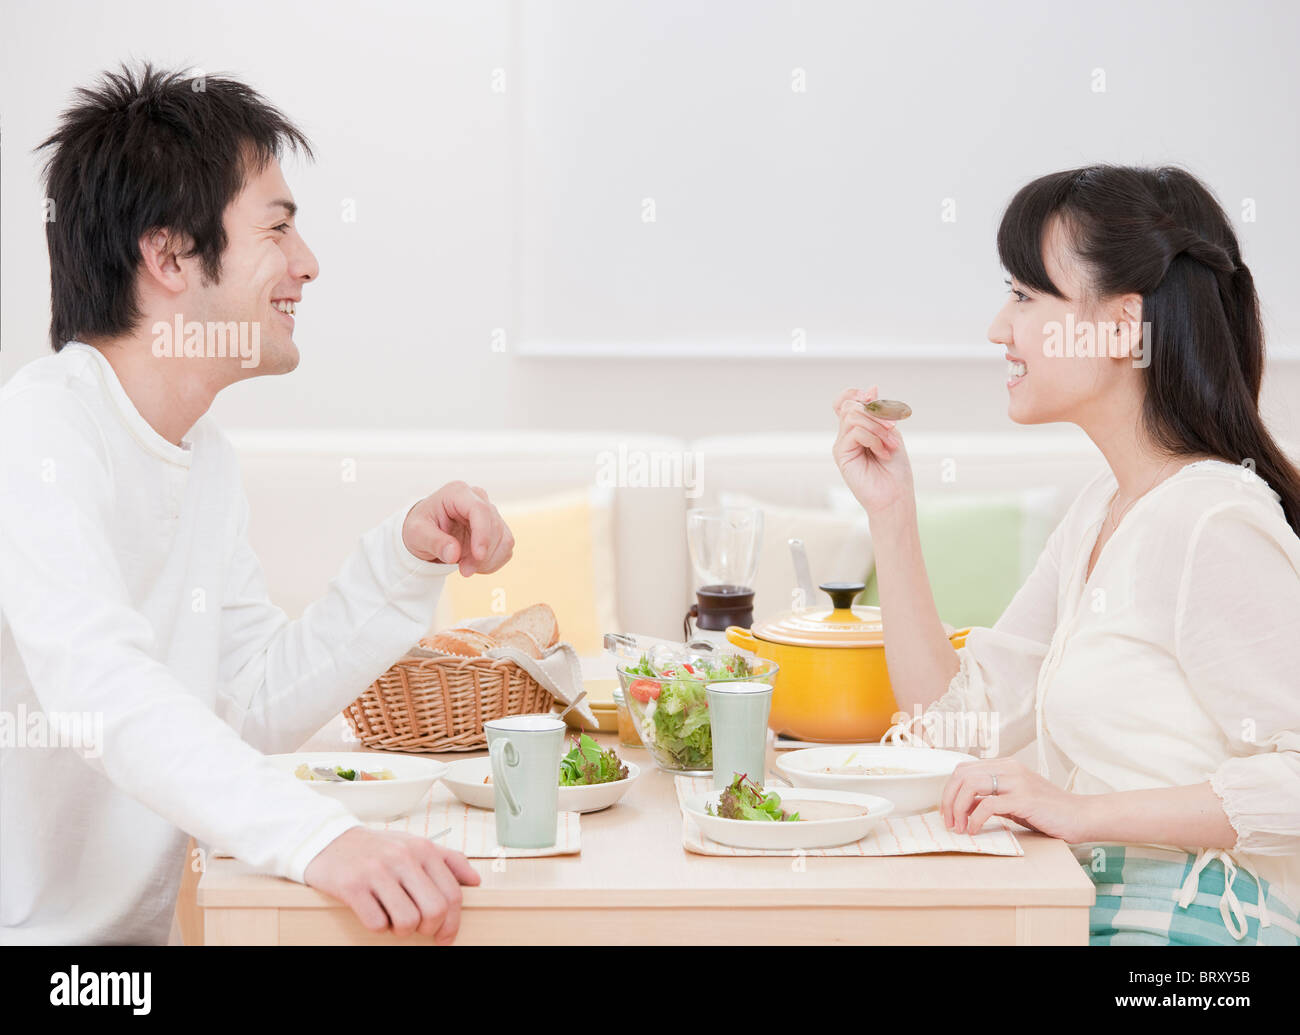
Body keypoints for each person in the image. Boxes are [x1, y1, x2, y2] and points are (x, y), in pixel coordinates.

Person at [0, 64, 515, 945]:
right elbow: (103, 687)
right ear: (167, 255)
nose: (307, 266)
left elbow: (248, 702)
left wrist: (400, 559)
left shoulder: (204, 458)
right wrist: (323, 838)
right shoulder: (41, 427)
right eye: (277, 231)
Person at [833, 165, 1300, 945]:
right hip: (1083, 916)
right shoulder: (1099, 514)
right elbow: (950, 726)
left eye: (1024, 296)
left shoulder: (1215, 521)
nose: (998, 328)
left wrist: (1078, 811)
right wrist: (892, 514)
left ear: (1121, 325)